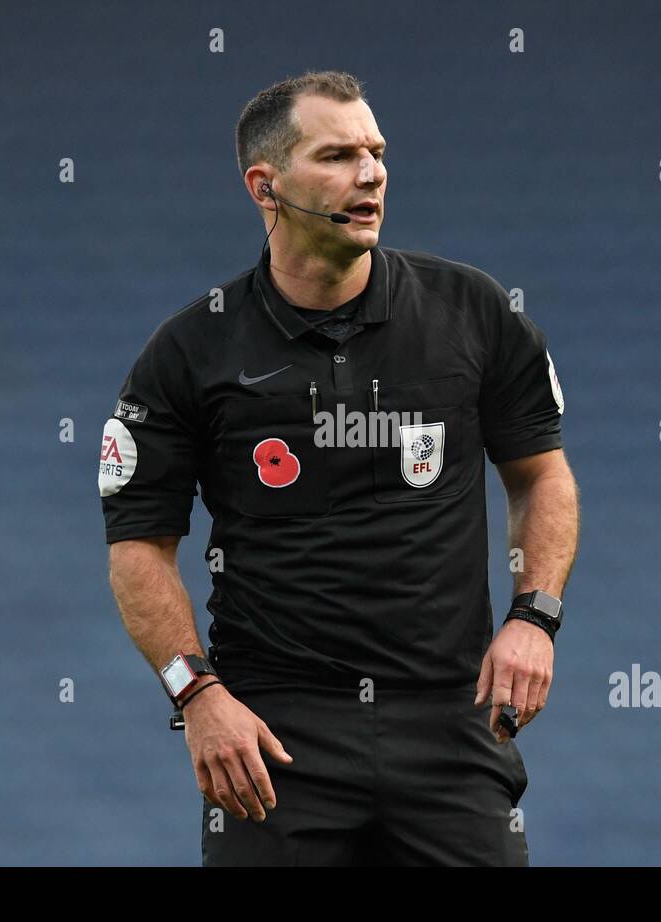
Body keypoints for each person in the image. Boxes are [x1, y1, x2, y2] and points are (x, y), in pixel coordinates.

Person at [101, 70, 579, 866]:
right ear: (267, 186)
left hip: (448, 720)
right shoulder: (191, 353)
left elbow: (541, 475)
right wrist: (198, 695)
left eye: (376, 151)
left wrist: (535, 619)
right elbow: (137, 551)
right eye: (337, 155)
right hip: (275, 740)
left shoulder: (473, 311)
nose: (371, 172)